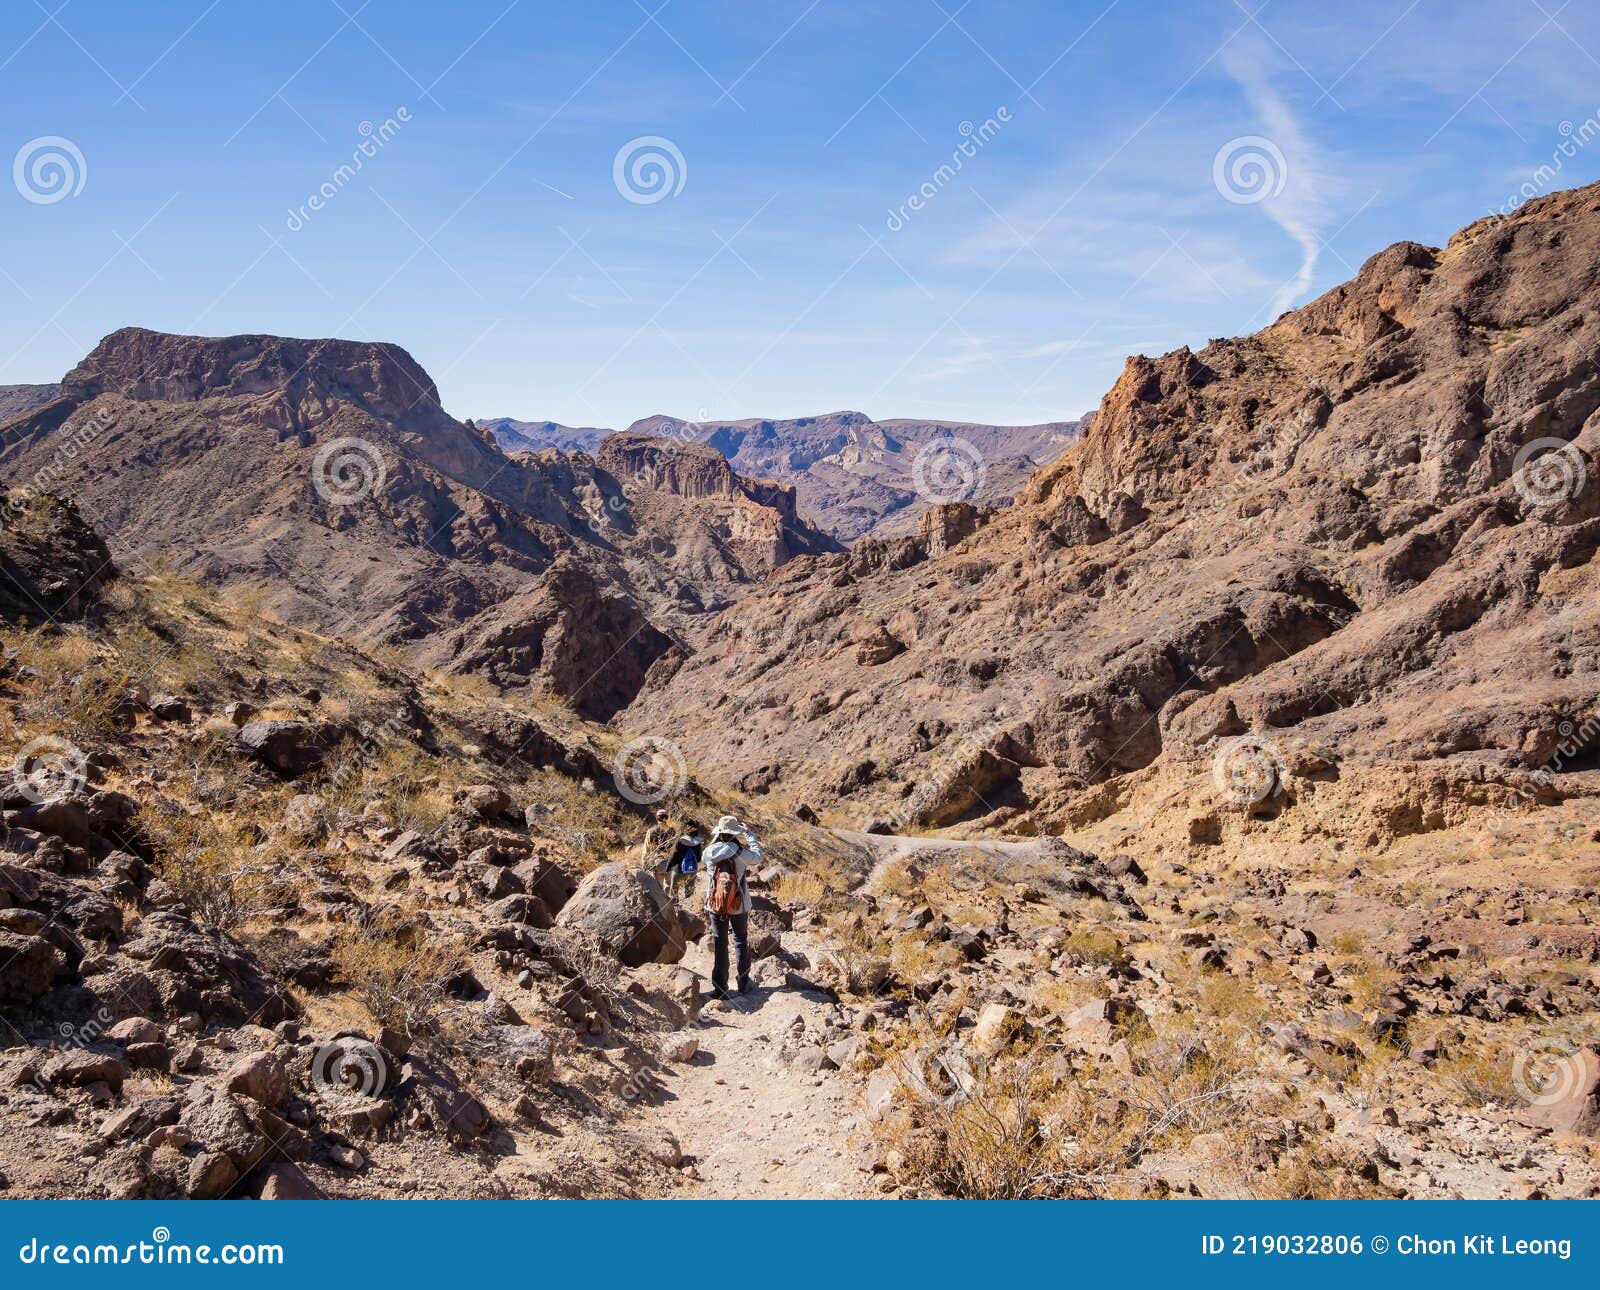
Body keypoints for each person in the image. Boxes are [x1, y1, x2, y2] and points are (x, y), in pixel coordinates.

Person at [702, 814, 762, 999]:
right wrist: (749, 834)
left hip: (715, 905)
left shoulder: (709, 853)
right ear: (735, 833)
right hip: (739, 905)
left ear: (719, 833)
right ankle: (743, 984)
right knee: (740, 940)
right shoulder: (742, 854)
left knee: (720, 944)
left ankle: (720, 989)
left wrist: (716, 838)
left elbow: (703, 857)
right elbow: (759, 856)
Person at [655, 819, 704, 900]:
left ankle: (675, 905)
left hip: (678, 870)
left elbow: (673, 855)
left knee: (674, 892)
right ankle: (689, 905)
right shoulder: (697, 841)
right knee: (689, 891)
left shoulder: (680, 840)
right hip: (692, 870)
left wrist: (668, 868)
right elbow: (699, 858)